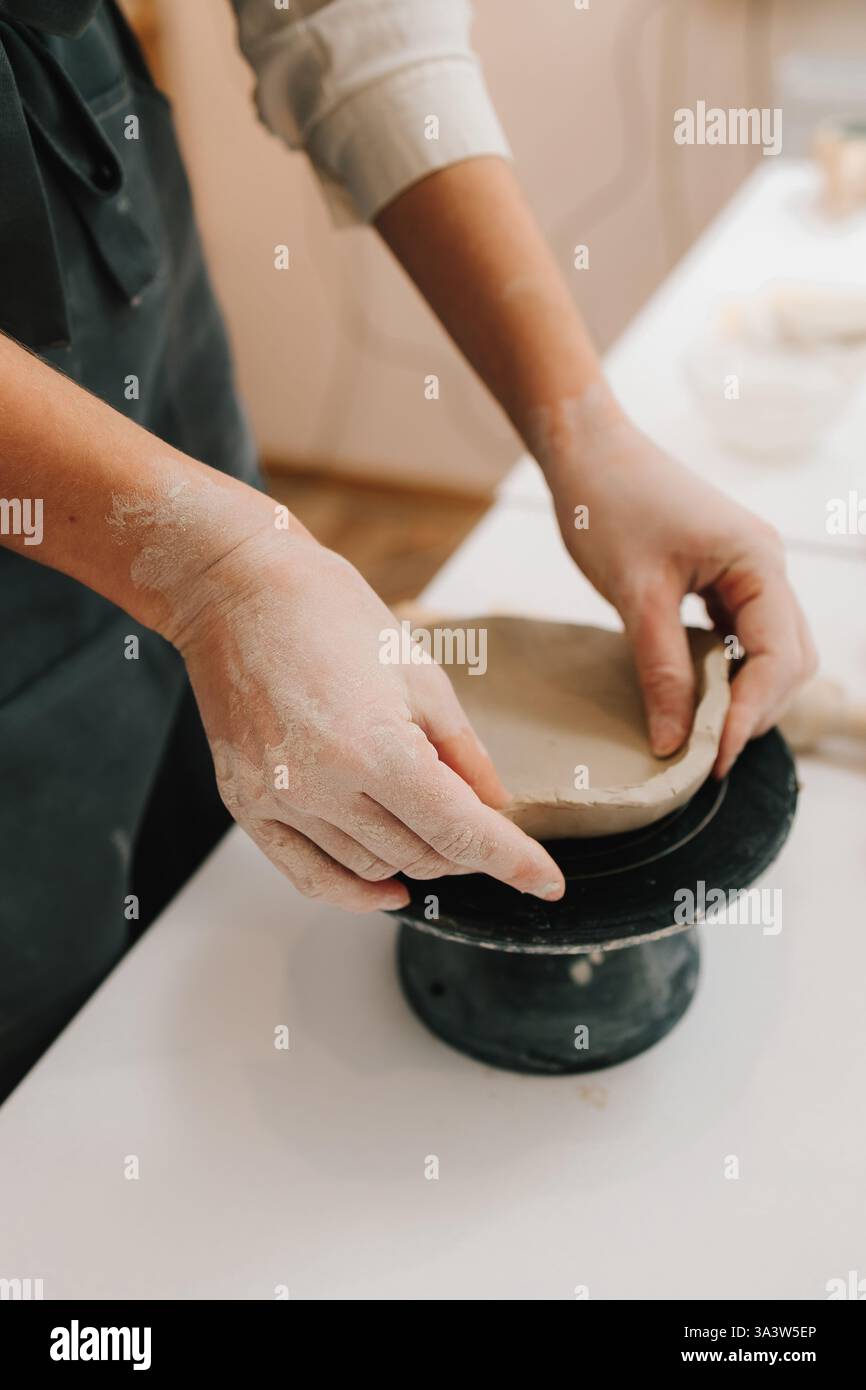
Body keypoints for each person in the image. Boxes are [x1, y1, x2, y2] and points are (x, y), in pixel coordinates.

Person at [0, 0, 815, 1098]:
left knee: (219, 831)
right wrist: (210, 570)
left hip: (80, 138)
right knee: (50, 1020)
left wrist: (585, 432)